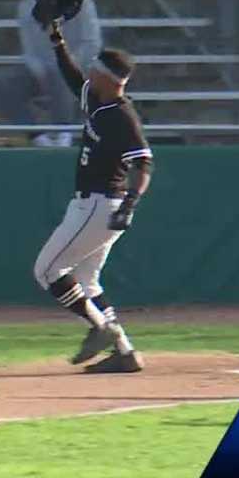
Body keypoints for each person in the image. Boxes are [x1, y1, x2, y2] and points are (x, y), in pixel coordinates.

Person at [30, 19, 153, 374]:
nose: (90, 74)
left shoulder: (122, 116)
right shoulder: (99, 100)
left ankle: (100, 327)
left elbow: (144, 163)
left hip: (100, 205)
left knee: (47, 270)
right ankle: (125, 352)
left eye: (96, 71)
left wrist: (131, 203)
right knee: (87, 282)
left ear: (110, 79)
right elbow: (72, 79)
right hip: (95, 205)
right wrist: (57, 41)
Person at [0, 0, 103, 147]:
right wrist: (38, 69)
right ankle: (38, 137)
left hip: (79, 69)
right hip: (41, 71)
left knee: (60, 71)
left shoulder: (82, 1)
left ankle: (63, 135)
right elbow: (29, 48)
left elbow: (92, 43)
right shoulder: (26, 5)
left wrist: (69, 64)